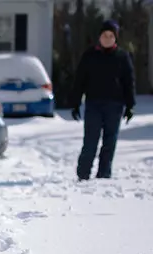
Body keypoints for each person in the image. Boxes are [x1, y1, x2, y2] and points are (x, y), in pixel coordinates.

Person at [69, 19, 135, 181]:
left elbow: (129, 81)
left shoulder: (122, 56)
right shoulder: (90, 56)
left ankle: (104, 174)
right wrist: (75, 103)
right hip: (94, 104)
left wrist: (130, 105)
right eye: (105, 35)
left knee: (109, 141)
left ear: (115, 38)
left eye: (111, 36)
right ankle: (83, 173)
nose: (107, 38)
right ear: (99, 37)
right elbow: (80, 81)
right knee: (91, 140)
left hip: (115, 105)